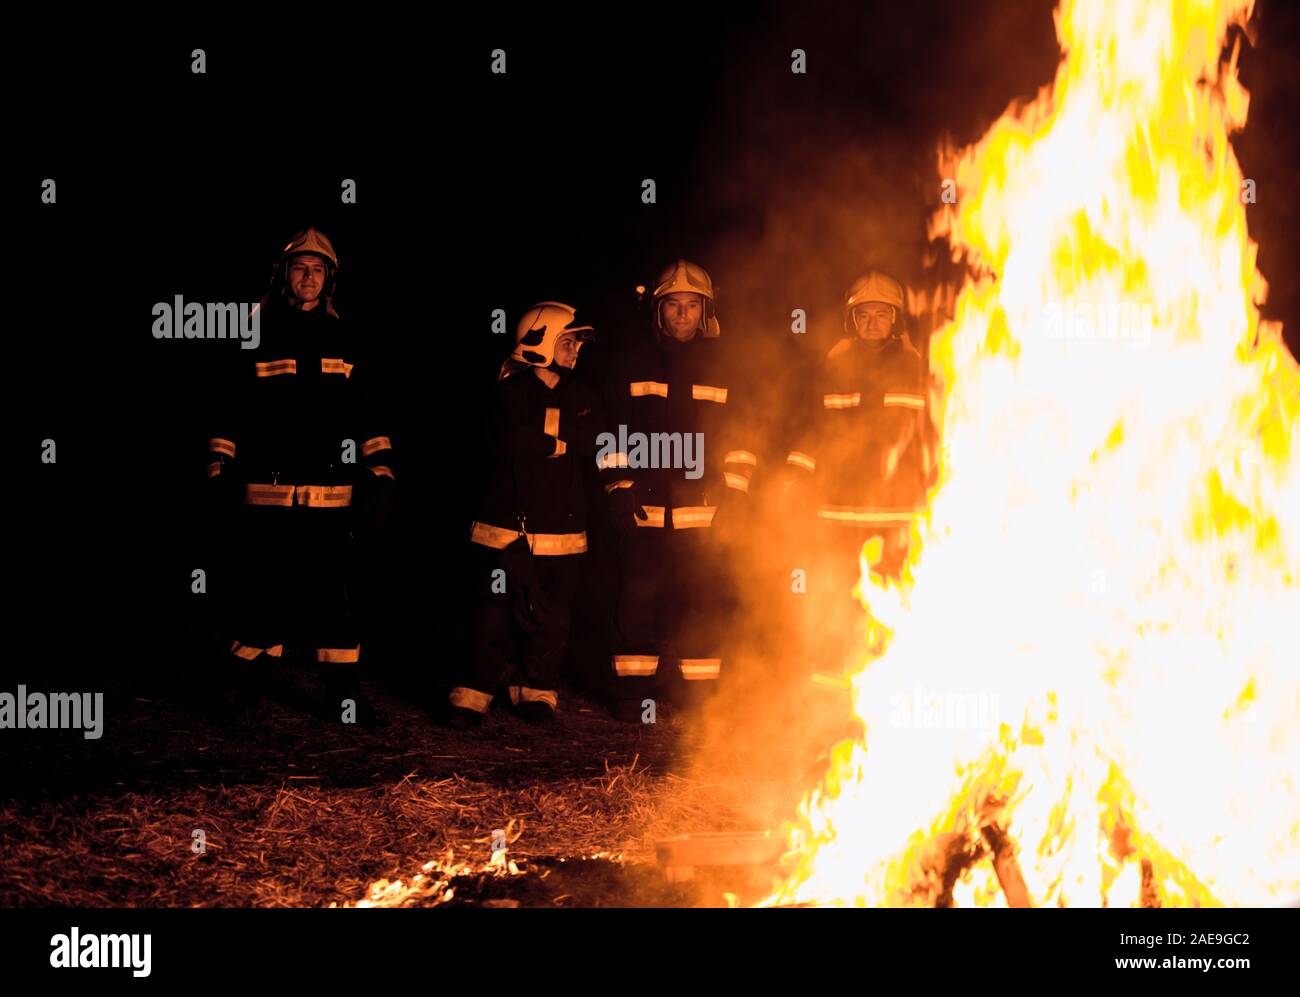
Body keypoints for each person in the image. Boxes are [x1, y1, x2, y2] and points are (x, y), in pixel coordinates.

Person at [207, 227, 395, 727]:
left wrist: (379, 474)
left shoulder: (347, 336)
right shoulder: (255, 332)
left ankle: (345, 702)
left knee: (334, 604)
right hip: (266, 494)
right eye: (299, 267)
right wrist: (219, 465)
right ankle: (246, 696)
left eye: (317, 269)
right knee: (259, 599)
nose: (308, 277)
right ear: (283, 274)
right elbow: (227, 407)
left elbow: (368, 412)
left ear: (328, 279)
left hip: (330, 498)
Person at [601, 260, 757, 723]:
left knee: (701, 600)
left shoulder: (726, 366)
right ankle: (634, 698)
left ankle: (700, 699)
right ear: (659, 311)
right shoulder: (630, 363)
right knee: (637, 598)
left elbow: (742, 436)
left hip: (703, 510)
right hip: (644, 507)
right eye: (674, 306)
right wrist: (617, 487)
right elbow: (612, 430)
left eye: (692, 306)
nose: (683, 316)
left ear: (705, 311)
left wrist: (736, 491)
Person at [450, 302, 602, 728]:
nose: (575, 351)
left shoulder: (584, 395)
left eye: (576, 343)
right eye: (567, 341)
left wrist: (545, 426)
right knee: (490, 612)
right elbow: (510, 438)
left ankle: (536, 689)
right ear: (540, 341)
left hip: (564, 532)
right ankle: (473, 692)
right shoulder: (506, 391)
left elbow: (600, 435)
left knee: (552, 615)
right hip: (502, 529)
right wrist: (563, 435)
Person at [782, 270, 930, 672]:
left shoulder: (918, 368)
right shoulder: (834, 365)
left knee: (894, 601)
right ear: (851, 319)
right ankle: (833, 701)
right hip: (838, 514)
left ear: (896, 318)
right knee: (837, 601)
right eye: (863, 315)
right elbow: (811, 428)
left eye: (881, 314)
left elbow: (932, 438)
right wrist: (796, 479)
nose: (872, 323)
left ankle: (889, 686)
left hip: (896, 516)